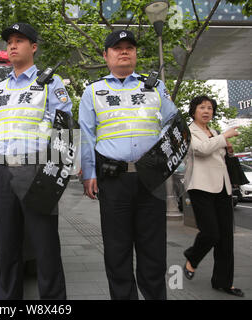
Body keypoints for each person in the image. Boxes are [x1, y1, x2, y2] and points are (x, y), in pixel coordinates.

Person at [79, 29, 178, 300]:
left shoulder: (155, 86)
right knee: (117, 249)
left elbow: (172, 122)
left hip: (150, 178)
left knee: (153, 249)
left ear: (135, 54)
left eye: (129, 47)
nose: (124, 51)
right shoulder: (93, 91)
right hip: (114, 180)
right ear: (106, 55)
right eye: (117, 47)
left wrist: (162, 154)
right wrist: (88, 173)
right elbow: (86, 135)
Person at [0, 22, 71, 300]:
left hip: (37, 171)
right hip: (3, 171)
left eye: (19, 40)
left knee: (45, 247)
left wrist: (55, 174)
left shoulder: (50, 83)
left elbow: (64, 129)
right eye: (9, 41)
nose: (12, 45)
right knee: (7, 247)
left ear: (33, 47)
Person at [183, 95, 244, 297]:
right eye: (202, 107)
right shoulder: (188, 131)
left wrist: (229, 151)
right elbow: (201, 150)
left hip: (222, 188)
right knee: (210, 233)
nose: (207, 111)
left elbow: (217, 156)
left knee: (226, 240)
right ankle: (192, 257)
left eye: (210, 107)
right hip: (200, 187)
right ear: (194, 111)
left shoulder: (214, 131)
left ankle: (223, 282)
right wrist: (224, 137)